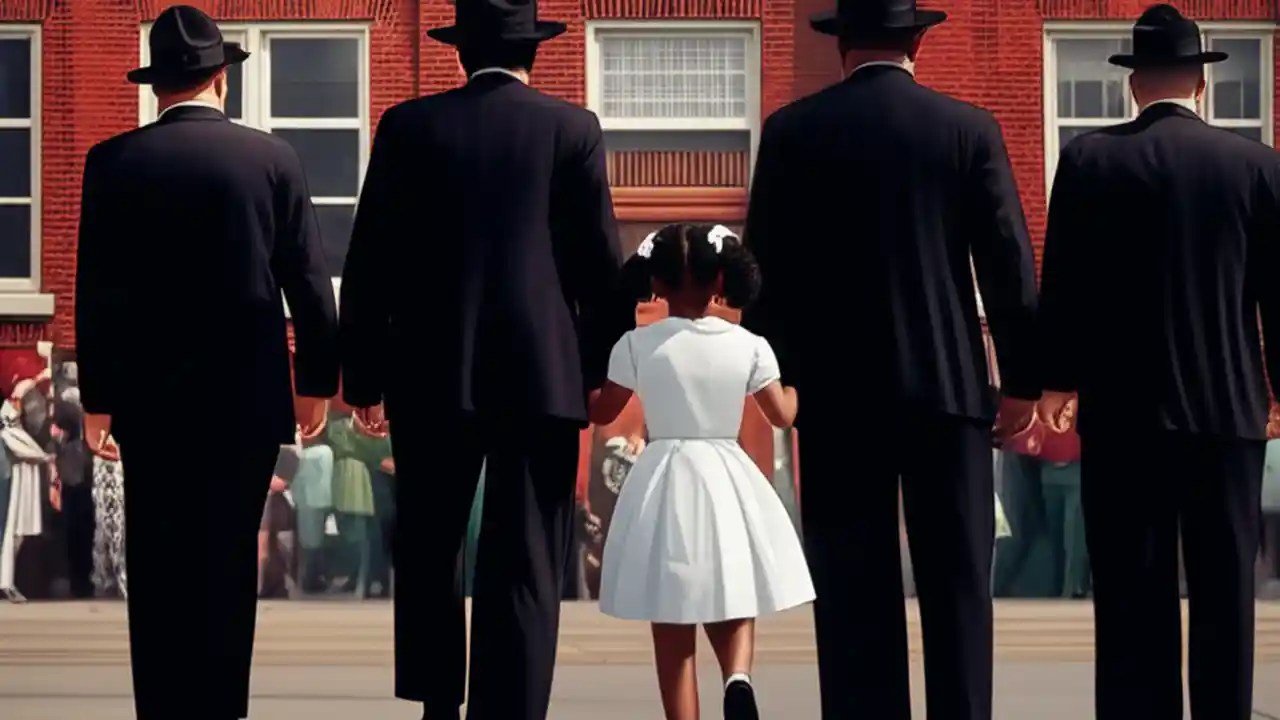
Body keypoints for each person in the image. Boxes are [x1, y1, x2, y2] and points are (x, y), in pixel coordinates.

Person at [742, 0, 1041, 716]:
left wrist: (779, 382)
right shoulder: (967, 130)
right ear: (917, 42)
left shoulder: (792, 133)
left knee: (851, 595)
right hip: (948, 389)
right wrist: (1022, 382)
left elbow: (763, 276)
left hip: (838, 397)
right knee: (959, 590)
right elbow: (1007, 264)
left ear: (841, 43)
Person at [337, 0, 629, 715]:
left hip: (432, 370)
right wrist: (600, 374)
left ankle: (440, 700)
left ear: (459, 53)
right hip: (542, 375)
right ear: (535, 52)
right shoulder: (572, 130)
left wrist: (365, 376)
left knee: (432, 545)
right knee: (526, 554)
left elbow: (371, 258)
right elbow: (601, 269)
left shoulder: (409, 126)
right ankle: (514, 704)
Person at [73, 6, 338, 719]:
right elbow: (308, 282)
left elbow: (96, 290)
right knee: (226, 564)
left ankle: (161, 707)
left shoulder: (113, 161)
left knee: (157, 565)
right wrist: (315, 383)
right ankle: (222, 707)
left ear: (158, 84)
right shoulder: (272, 159)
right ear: (222, 78)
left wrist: (97, 396)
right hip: (244, 399)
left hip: (150, 401)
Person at [1037, 5, 1280, 718]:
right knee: (1224, 595)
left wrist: (1055, 378)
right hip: (1226, 411)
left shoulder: (1089, 160)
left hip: (1124, 417)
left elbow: (1064, 283)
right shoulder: (1257, 167)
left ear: (1135, 83)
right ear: (1200, 85)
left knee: (1129, 599)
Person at [590, 224, 814, 720]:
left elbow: (604, 410)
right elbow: (781, 413)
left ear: (657, 285)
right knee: (732, 586)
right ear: (720, 282)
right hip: (726, 470)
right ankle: (737, 676)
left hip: (665, 473)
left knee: (671, 616)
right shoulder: (749, 344)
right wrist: (798, 391)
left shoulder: (637, 344)